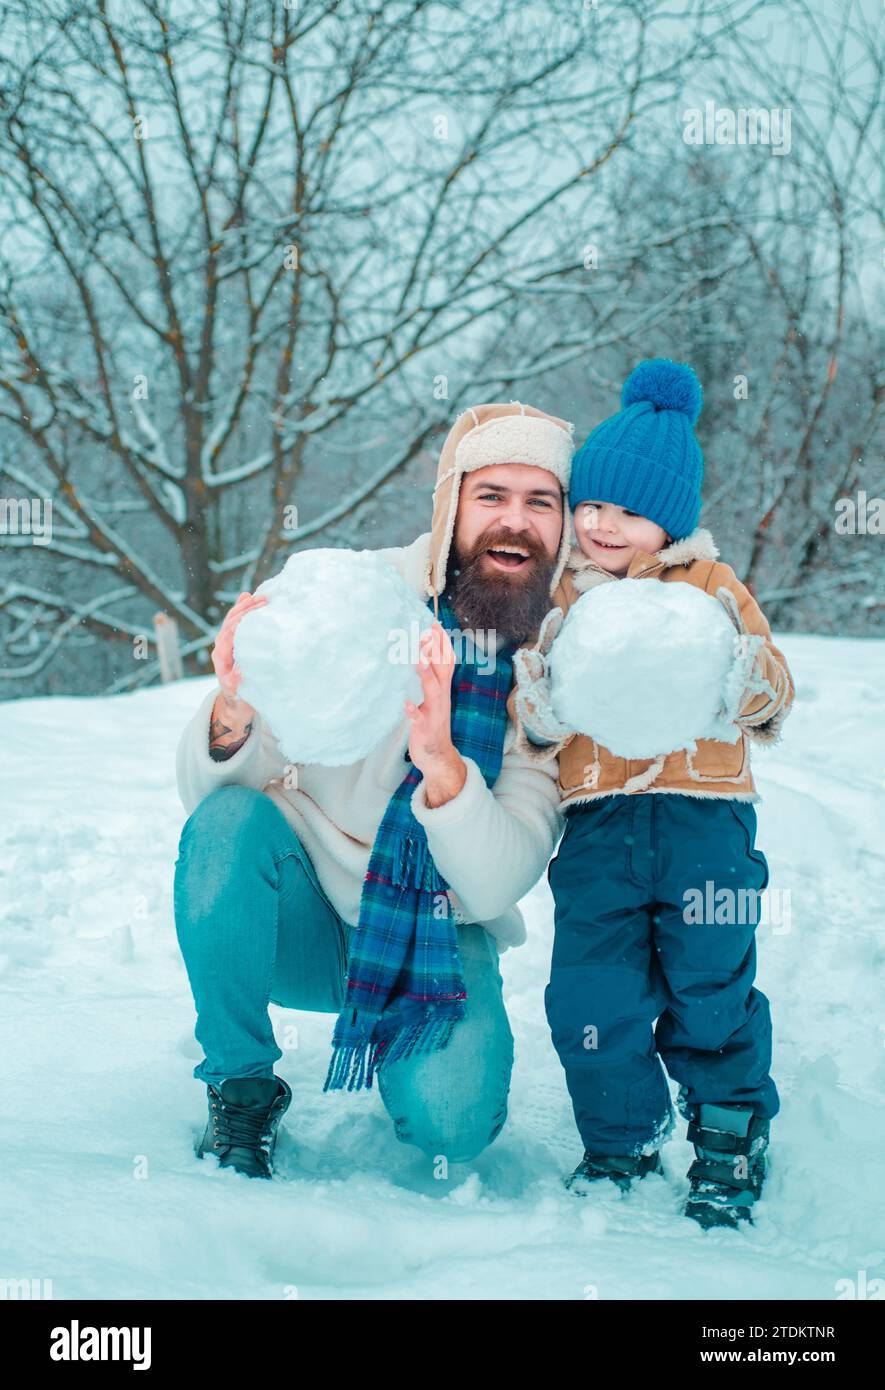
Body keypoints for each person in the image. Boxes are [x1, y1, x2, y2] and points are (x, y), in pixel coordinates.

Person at [174, 400, 575, 1178]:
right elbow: (210, 810)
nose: (514, 522)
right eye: (490, 495)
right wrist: (234, 708)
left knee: (454, 1127)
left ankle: (415, 1060)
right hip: (302, 921)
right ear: (451, 502)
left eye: (540, 501)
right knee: (228, 825)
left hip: (435, 934)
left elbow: (496, 880)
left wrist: (442, 763)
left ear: (560, 525)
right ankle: (241, 1086)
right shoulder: (364, 602)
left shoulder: (550, 671)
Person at [512, 360, 795, 1228]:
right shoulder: (562, 600)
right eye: (590, 507)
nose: (601, 525)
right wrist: (544, 704)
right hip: (597, 830)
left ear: (667, 519)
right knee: (591, 995)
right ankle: (620, 1134)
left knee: (708, 982)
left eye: (627, 511)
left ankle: (727, 1129)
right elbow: (531, 715)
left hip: (702, 822)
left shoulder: (707, 590)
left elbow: (773, 689)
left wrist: (743, 678)